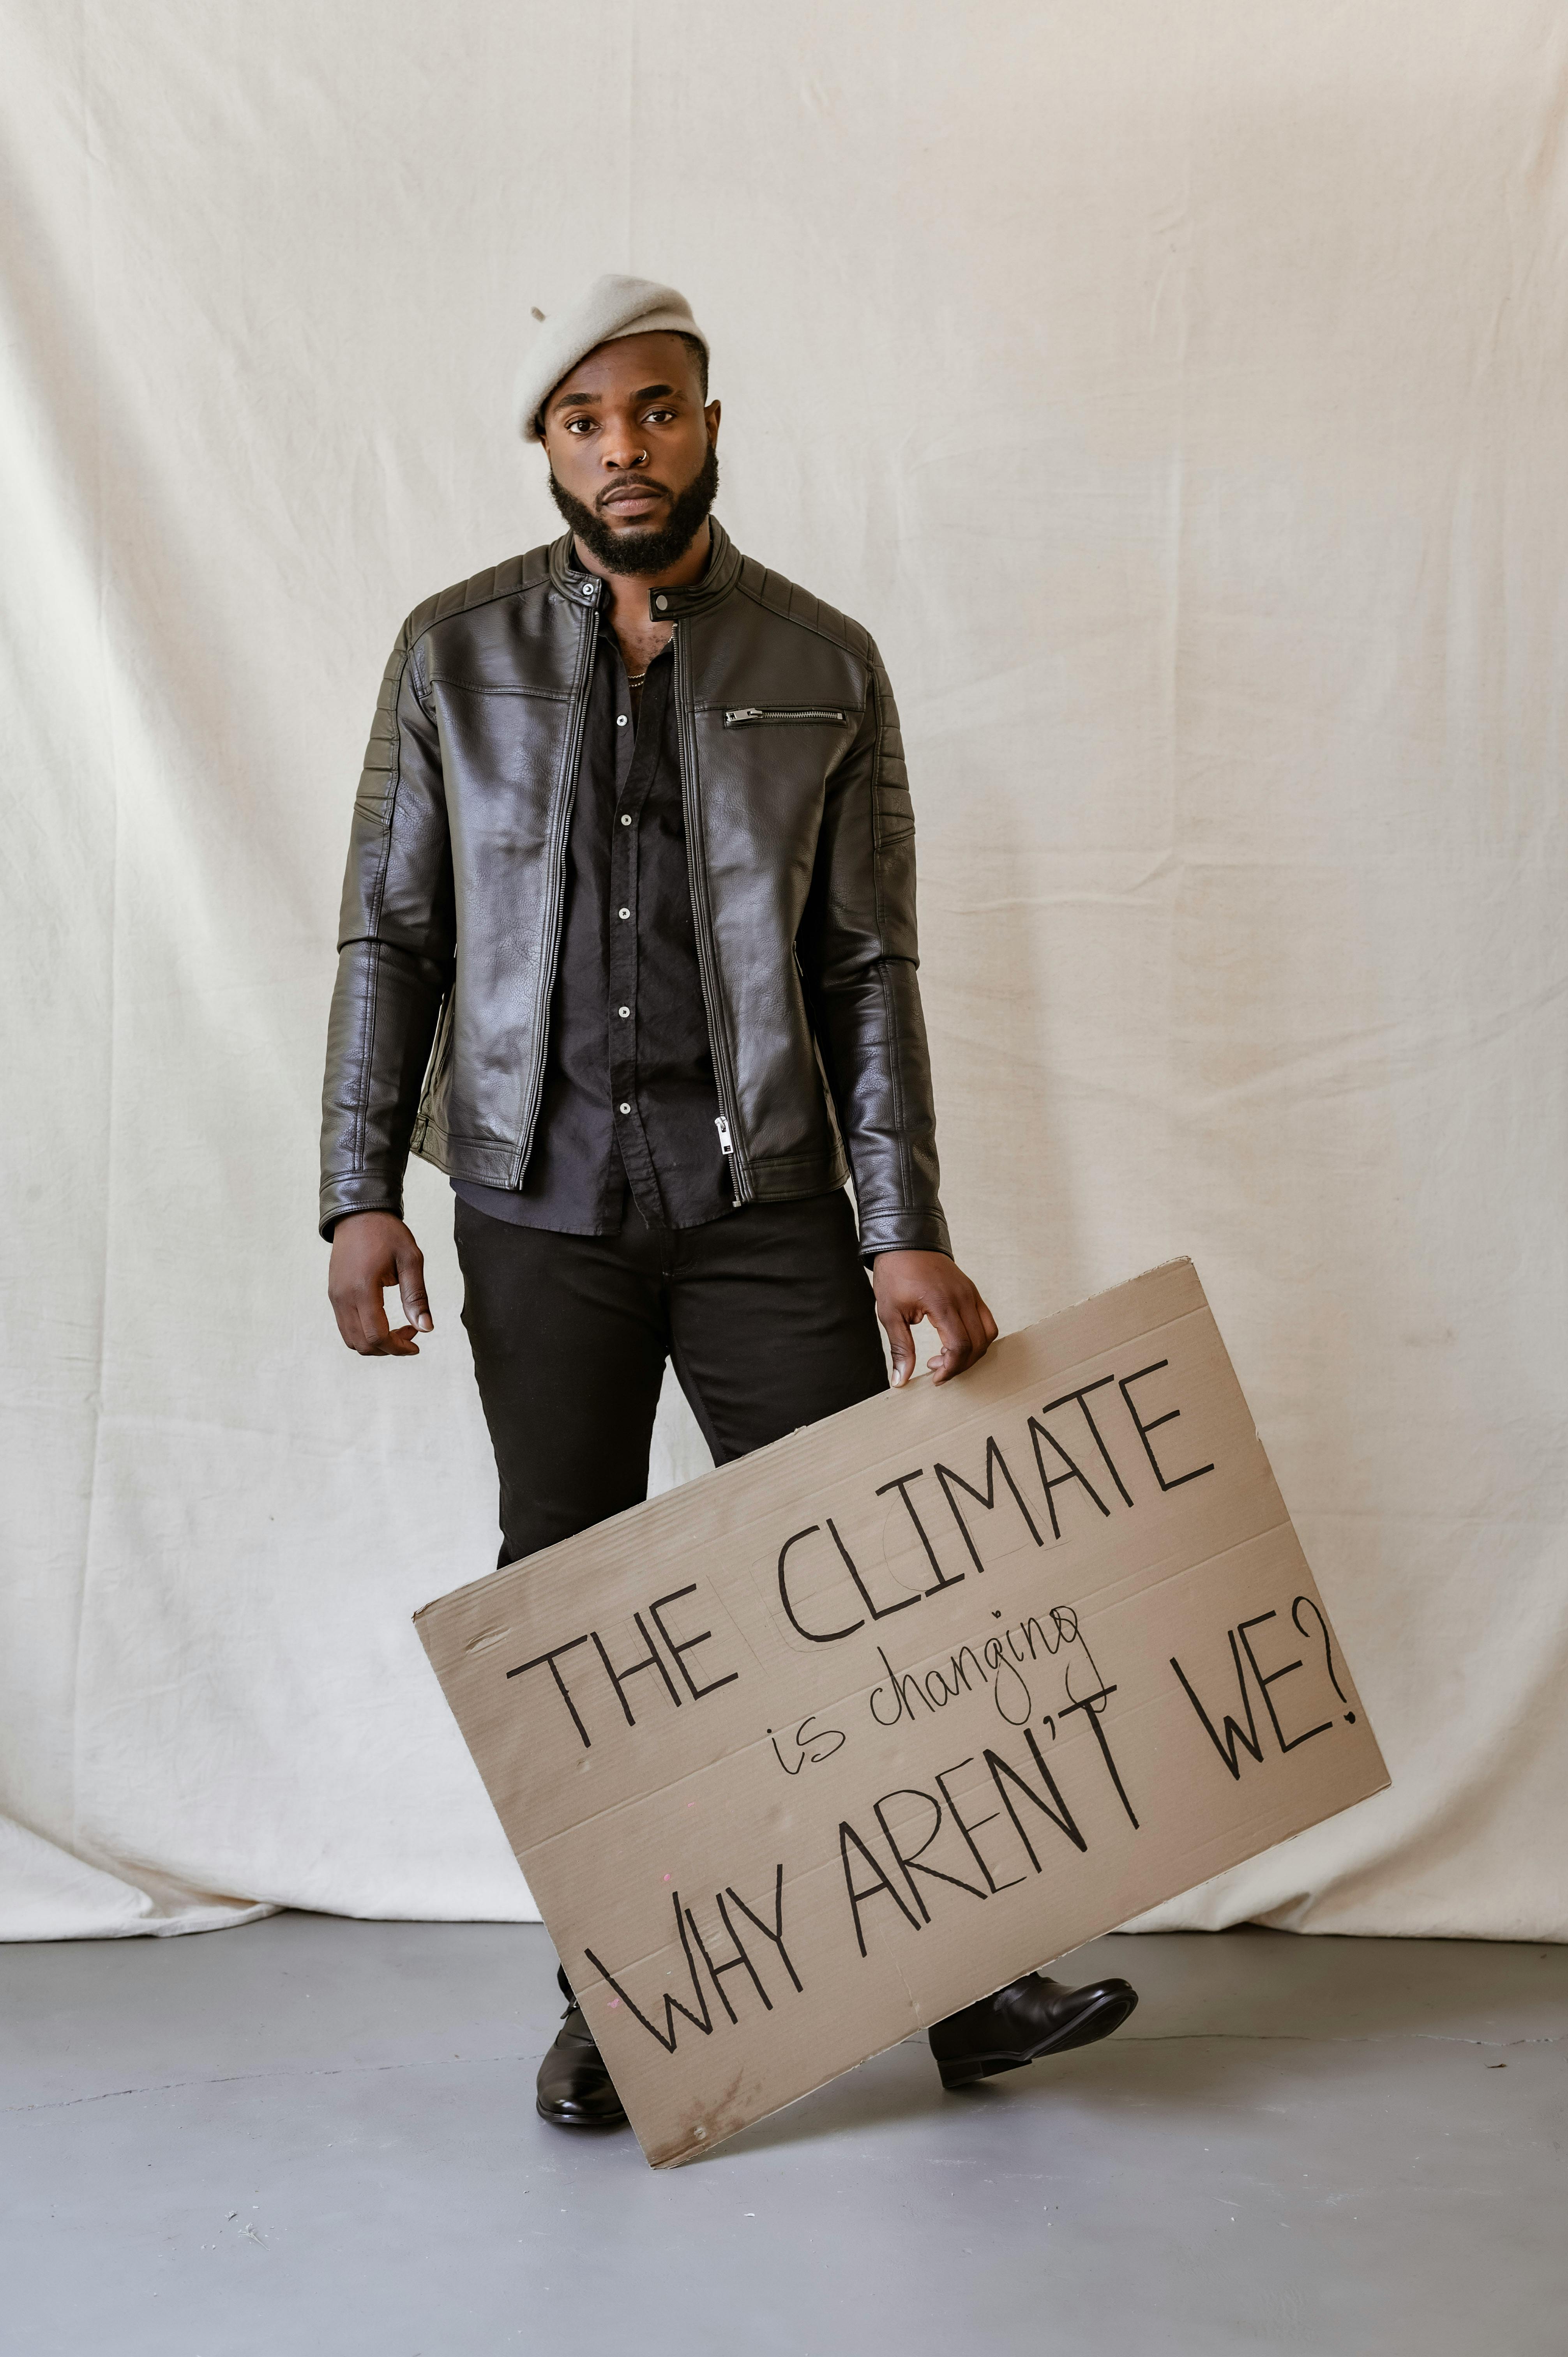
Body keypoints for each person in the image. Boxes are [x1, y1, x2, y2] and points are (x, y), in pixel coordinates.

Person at [319, 274, 1138, 2128]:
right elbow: (394, 932)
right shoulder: (451, 657)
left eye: (659, 409)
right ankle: (617, 2005)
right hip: (538, 1201)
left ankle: (966, 1982)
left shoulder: (822, 659)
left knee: (866, 1584)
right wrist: (356, 1188)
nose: (627, 448)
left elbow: (865, 969)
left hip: (765, 1194)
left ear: (709, 417)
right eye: (587, 420)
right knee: (577, 1621)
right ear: (546, 444)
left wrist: (899, 1219)